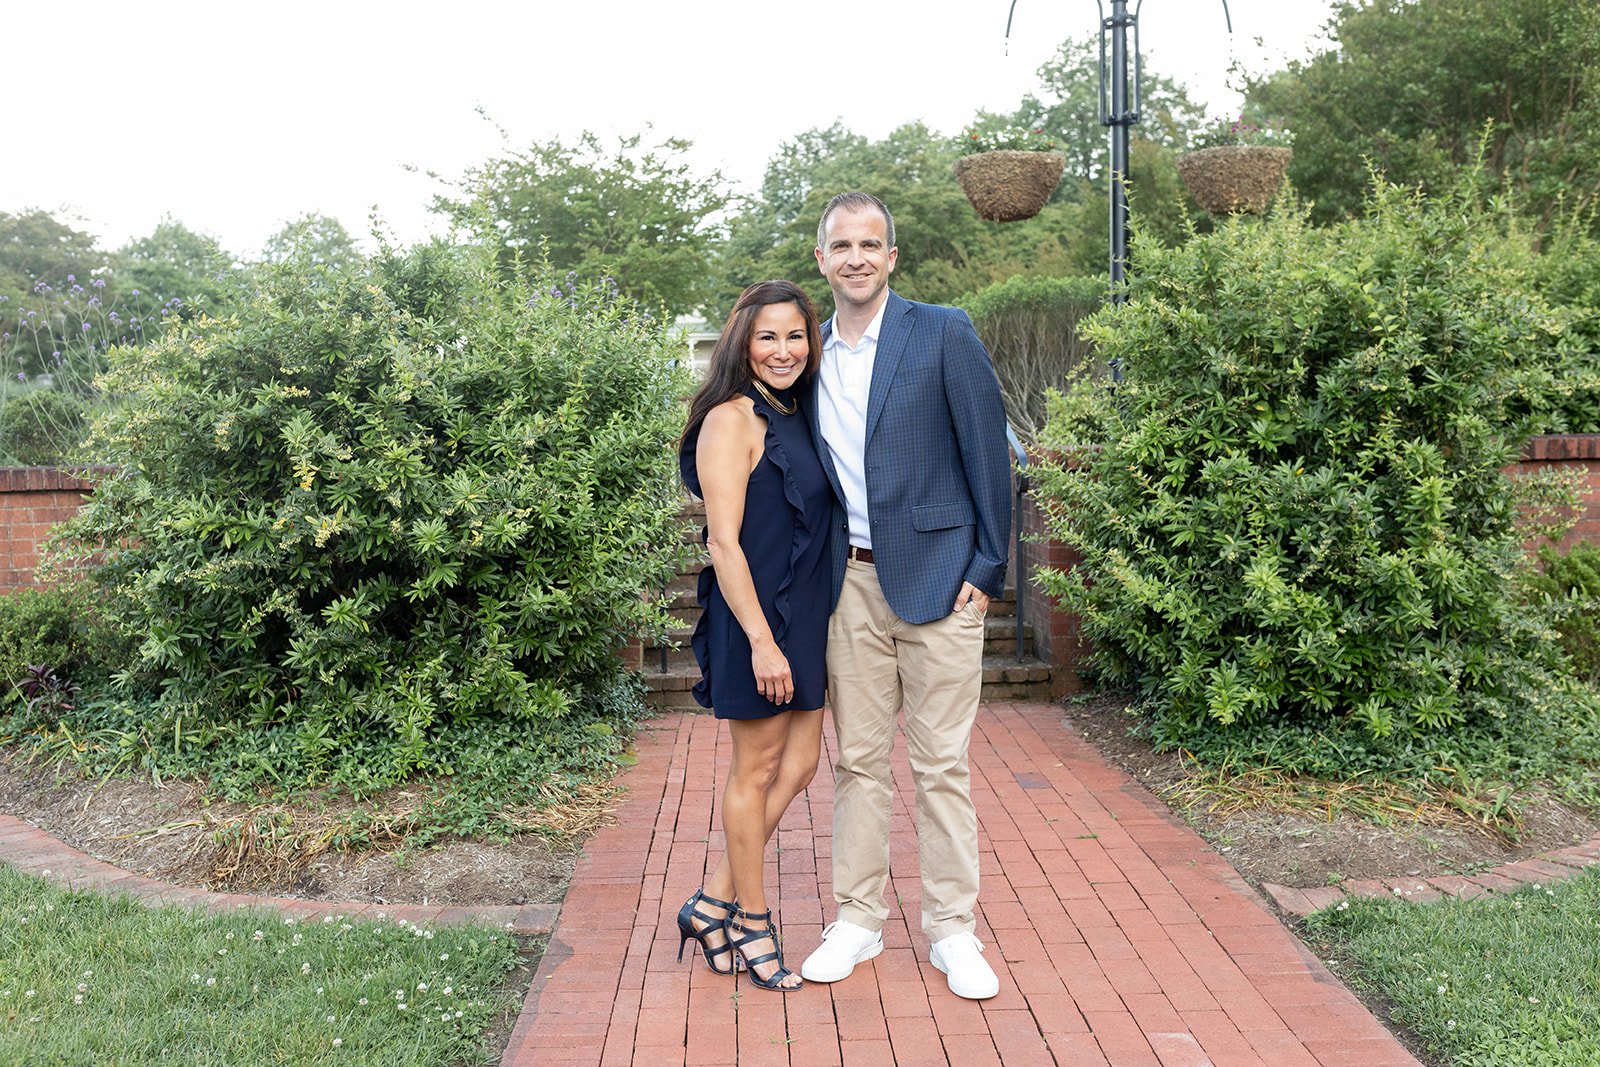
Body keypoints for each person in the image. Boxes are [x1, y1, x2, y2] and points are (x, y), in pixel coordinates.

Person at [798, 192, 1012, 1000]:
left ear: (891, 256)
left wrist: (987, 566)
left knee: (941, 764)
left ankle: (953, 929)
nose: (855, 257)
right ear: (822, 259)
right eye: (841, 245)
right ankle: (857, 919)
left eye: (870, 244)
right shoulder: (809, 352)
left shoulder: (942, 331)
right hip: (848, 583)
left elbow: (988, 453)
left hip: (943, 580)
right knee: (857, 762)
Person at [674, 280, 831, 993]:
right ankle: (752, 921)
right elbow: (723, 542)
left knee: (800, 765)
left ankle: (710, 903)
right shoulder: (730, 419)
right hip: (754, 621)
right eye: (768, 336)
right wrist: (763, 643)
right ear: (743, 342)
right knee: (756, 770)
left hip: (806, 613)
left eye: (795, 335)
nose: (783, 350)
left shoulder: (801, 411)